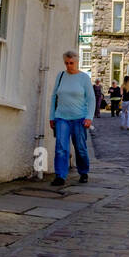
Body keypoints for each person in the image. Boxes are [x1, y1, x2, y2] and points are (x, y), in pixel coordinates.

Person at [49, 49, 95, 187]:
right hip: (61, 117)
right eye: (66, 63)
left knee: (80, 147)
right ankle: (60, 176)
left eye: (71, 63)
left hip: (79, 118)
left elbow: (91, 99)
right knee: (61, 147)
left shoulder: (84, 78)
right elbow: (54, 97)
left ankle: (83, 172)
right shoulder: (61, 76)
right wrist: (52, 116)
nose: (69, 66)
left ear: (77, 62)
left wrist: (89, 117)